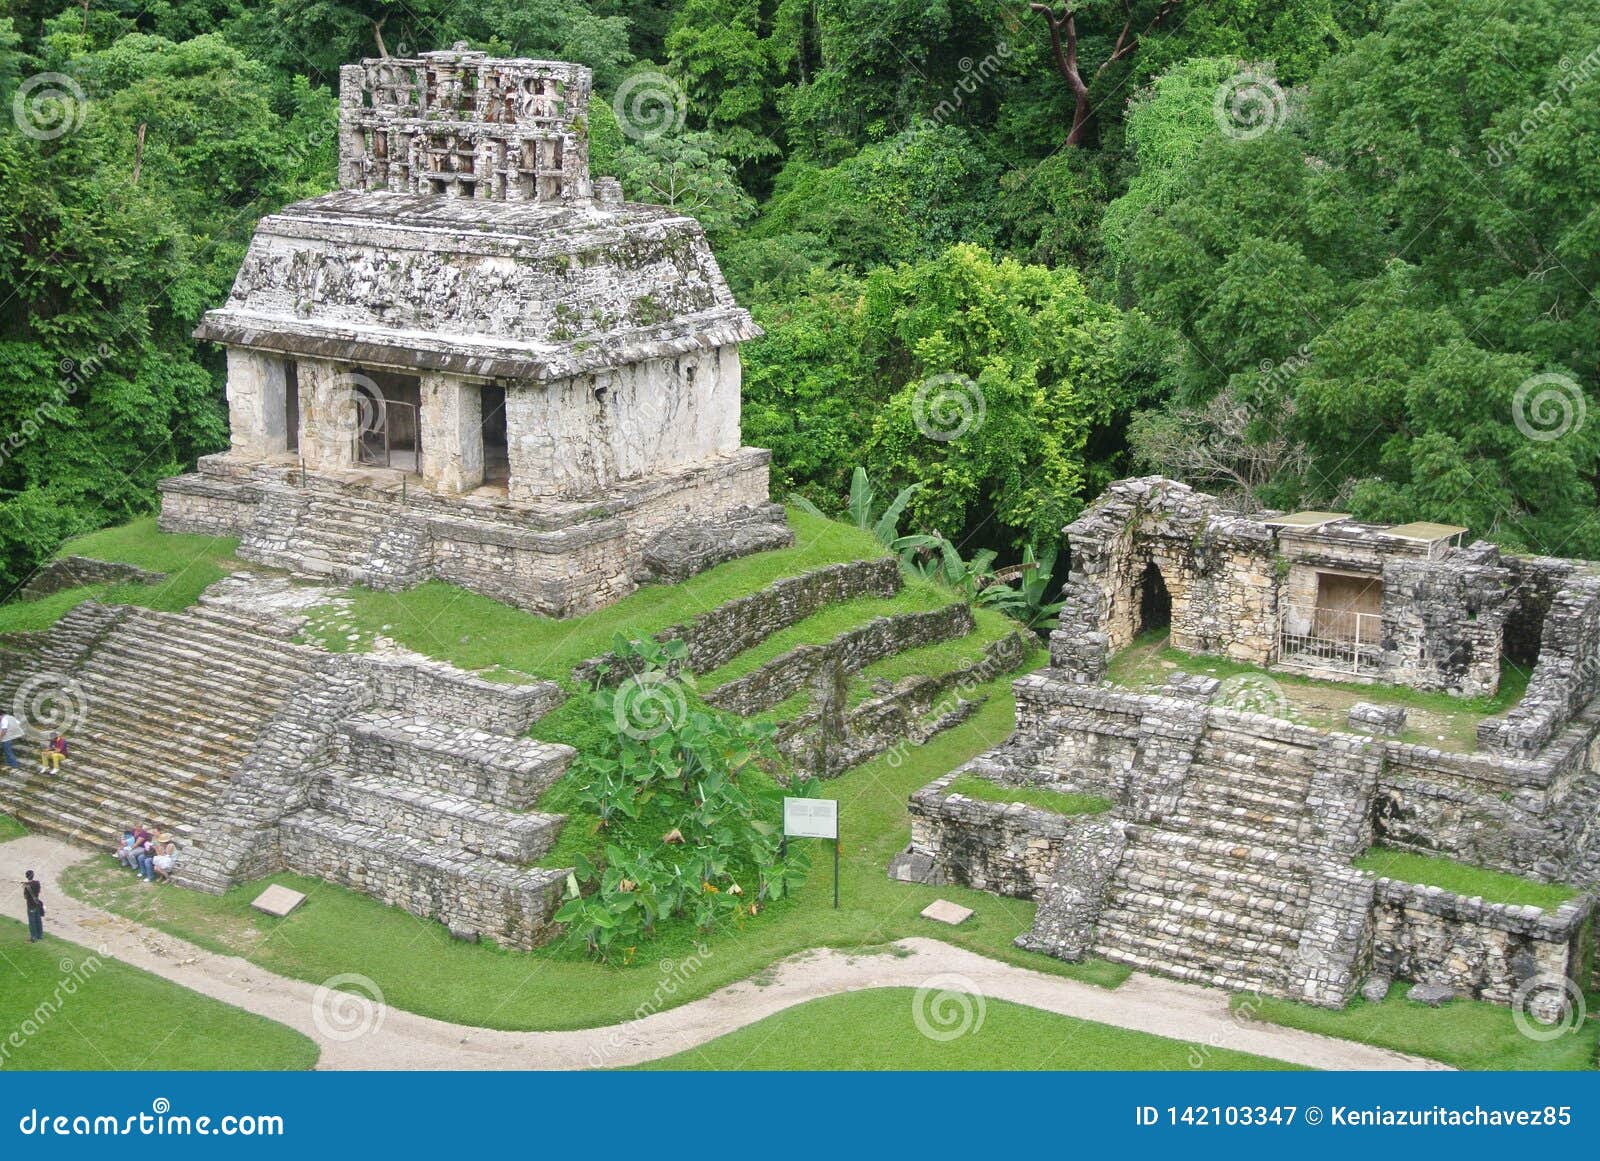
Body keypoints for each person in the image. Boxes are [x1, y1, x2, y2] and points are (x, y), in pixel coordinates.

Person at [22, 870, 44, 942]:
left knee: (32, 922)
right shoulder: (37, 883)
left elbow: (25, 897)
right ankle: (40, 935)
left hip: (30, 905)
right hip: (37, 904)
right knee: (38, 920)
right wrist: (26, 885)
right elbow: (37, 889)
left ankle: (33, 937)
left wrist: (24, 887)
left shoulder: (27, 886)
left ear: (26, 876)